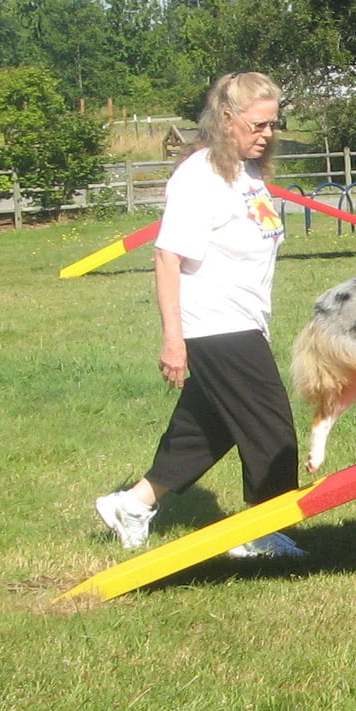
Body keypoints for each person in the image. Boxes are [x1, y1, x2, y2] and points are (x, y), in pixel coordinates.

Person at [95, 71, 305, 558]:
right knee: (271, 431)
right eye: (257, 124)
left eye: (274, 124)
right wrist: (174, 339)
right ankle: (258, 530)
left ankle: (133, 503)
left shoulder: (246, 172)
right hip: (216, 323)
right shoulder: (199, 176)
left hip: (243, 319)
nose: (267, 134)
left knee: (205, 429)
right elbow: (167, 257)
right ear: (226, 118)